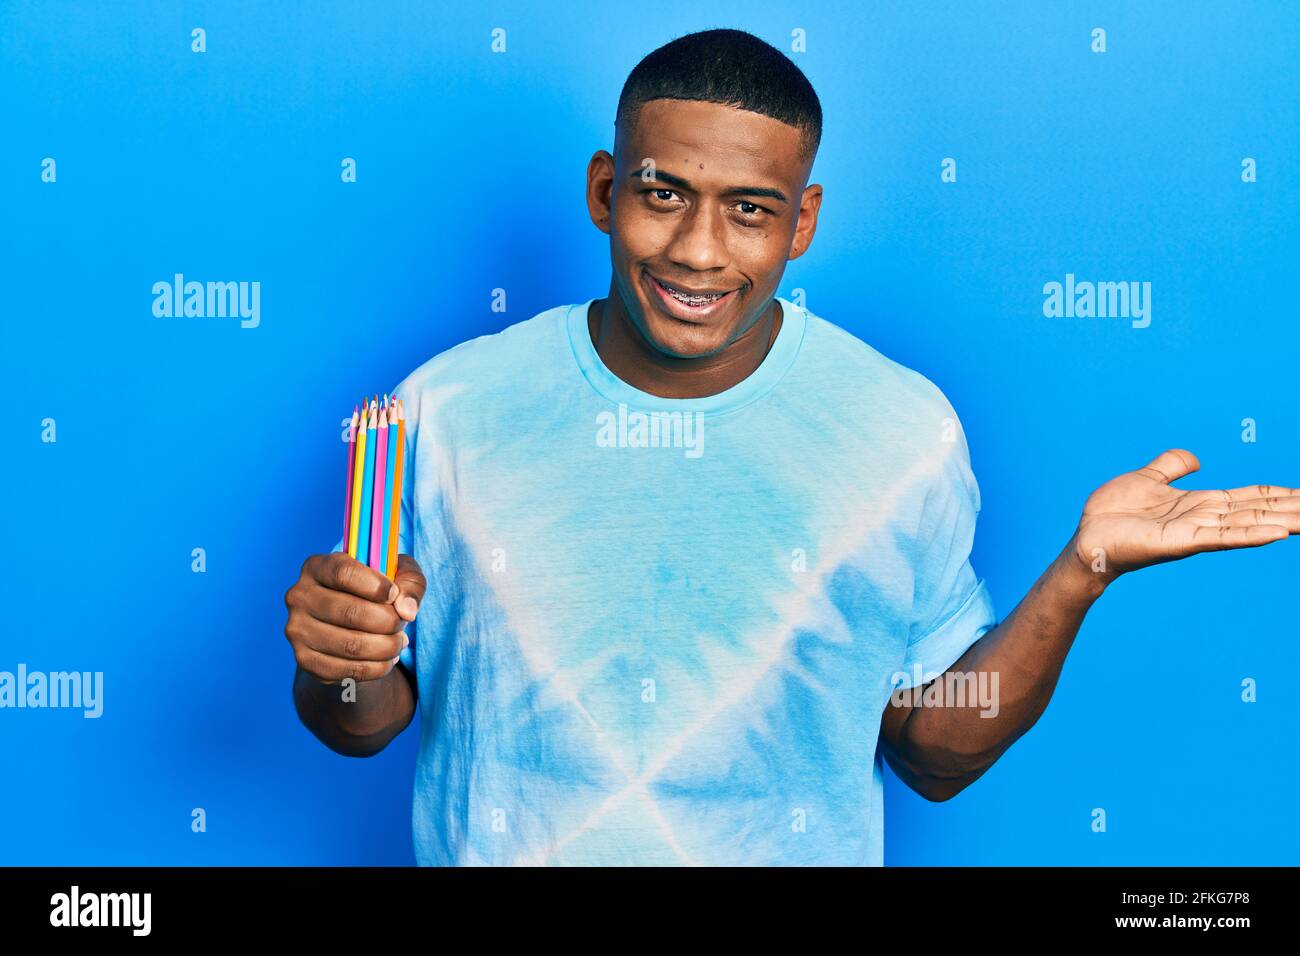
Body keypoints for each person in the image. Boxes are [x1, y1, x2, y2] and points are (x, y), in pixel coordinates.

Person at [282, 28, 1298, 866]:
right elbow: (361, 721)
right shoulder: (445, 407)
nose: (698, 249)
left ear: (801, 222)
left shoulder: (900, 429)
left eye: (750, 210)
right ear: (603, 191)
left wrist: (1079, 573)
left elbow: (932, 754)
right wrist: (336, 662)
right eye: (662, 192)